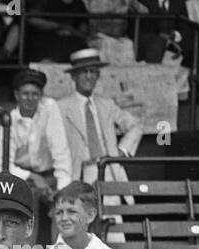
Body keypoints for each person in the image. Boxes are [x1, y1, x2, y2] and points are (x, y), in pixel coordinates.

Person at [0, 69, 72, 243]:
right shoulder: (10, 119)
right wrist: (32, 177)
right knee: (26, 210)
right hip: (21, 178)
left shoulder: (50, 108)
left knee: (64, 210)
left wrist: (62, 190)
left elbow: (61, 151)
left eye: (35, 94)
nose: (30, 99)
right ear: (16, 95)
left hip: (49, 175)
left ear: (41, 95)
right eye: (25, 94)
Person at [56, 48, 141, 185]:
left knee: (112, 206)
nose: (89, 76)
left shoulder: (107, 105)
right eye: (84, 72)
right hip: (79, 173)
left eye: (93, 71)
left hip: (108, 169)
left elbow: (135, 126)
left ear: (98, 75)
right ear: (74, 76)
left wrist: (121, 151)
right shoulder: (61, 107)